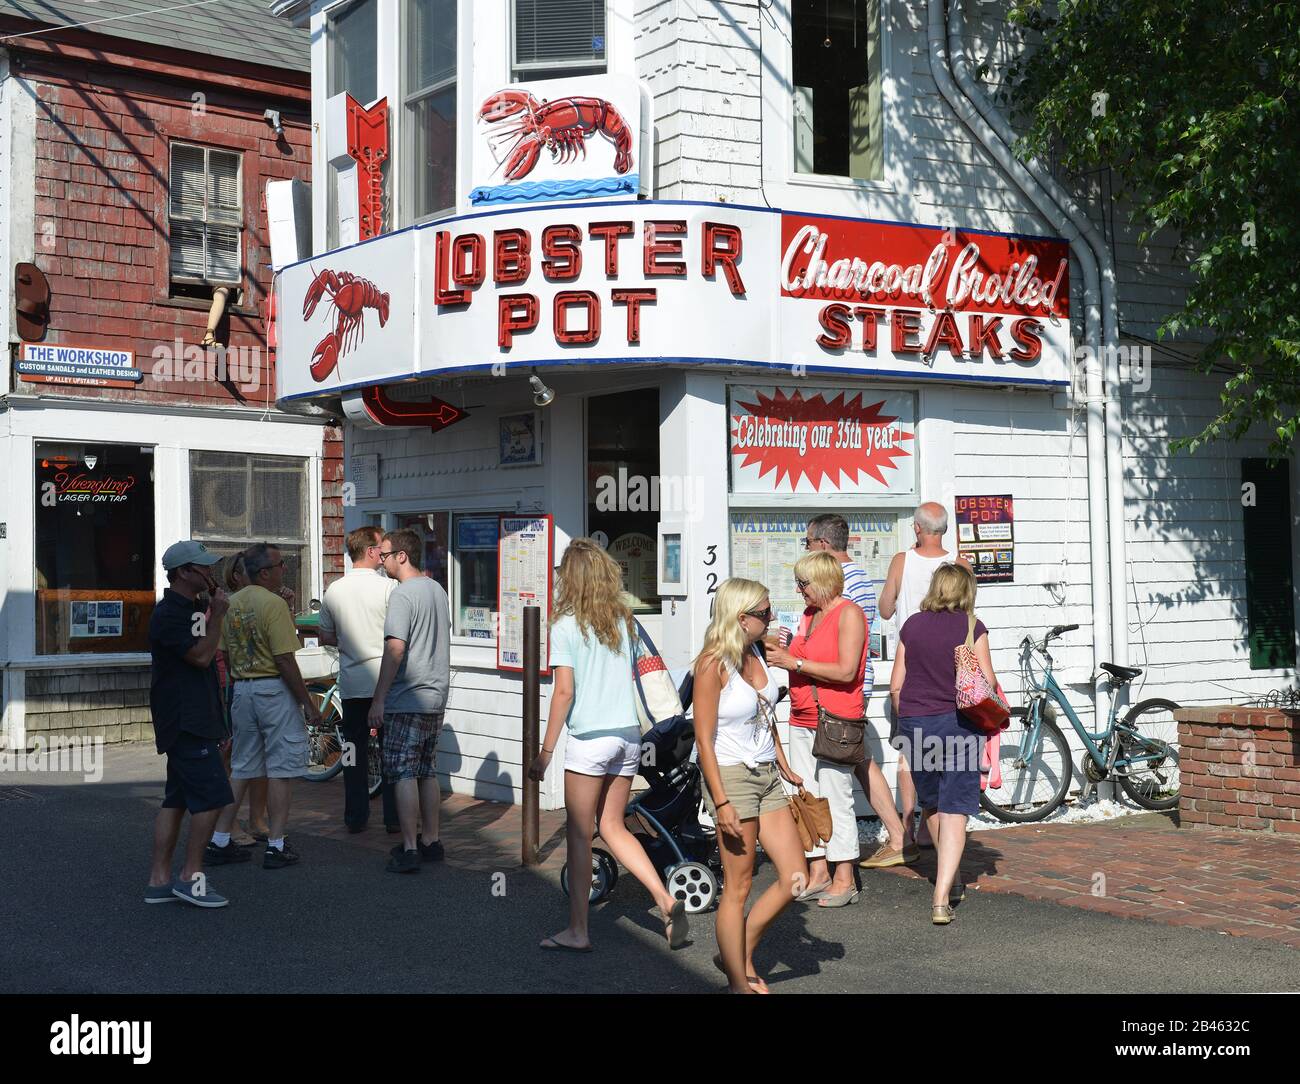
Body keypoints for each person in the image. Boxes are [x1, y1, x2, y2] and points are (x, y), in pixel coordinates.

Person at [527, 538, 687, 952]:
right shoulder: (625, 620)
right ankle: (664, 898)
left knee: (581, 836)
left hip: (590, 741)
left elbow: (563, 693)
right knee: (614, 826)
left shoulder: (564, 626)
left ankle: (578, 931)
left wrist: (544, 754)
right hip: (628, 738)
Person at [693, 578, 809, 993]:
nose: (772, 617)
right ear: (741, 619)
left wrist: (782, 761)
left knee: (797, 878)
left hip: (766, 775)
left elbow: (766, 713)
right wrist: (721, 801)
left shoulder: (758, 651)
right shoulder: (711, 665)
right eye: (764, 613)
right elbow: (703, 740)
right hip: (731, 778)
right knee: (738, 886)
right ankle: (739, 982)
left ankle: (737, 955)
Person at [890, 563, 997, 924]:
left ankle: (948, 881)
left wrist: (905, 722)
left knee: (933, 805)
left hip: (916, 725)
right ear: (966, 591)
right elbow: (987, 681)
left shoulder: (911, 626)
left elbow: (895, 685)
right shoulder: (972, 627)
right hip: (959, 726)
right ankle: (941, 897)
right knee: (954, 812)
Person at [804, 514, 910, 869]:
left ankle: (888, 840)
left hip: (843, 685)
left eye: (807, 543)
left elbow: (836, 638)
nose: (805, 550)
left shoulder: (841, 585)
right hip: (854, 683)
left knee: (848, 762)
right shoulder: (860, 576)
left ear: (822, 545)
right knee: (858, 759)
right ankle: (898, 836)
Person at [145, 541, 243, 907]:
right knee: (212, 797)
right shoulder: (169, 613)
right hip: (186, 718)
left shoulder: (193, 606)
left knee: (178, 798)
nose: (209, 572)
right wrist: (216, 613)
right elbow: (202, 658)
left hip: (196, 715)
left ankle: (158, 881)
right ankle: (190, 878)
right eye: (202, 567)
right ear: (183, 572)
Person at [766, 550, 865, 906]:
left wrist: (795, 661)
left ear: (822, 580)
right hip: (802, 717)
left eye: (803, 582)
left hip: (835, 719)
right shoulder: (810, 615)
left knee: (836, 798)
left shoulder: (848, 614)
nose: (799, 589)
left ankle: (845, 876)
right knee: (806, 797)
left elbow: (846, 671)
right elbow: (794, 658)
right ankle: (819, 870)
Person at [212, 543, 321, 869]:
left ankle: (220, 838)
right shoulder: (272, 604)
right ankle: (275, 843)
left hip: (243, 689)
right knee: (281, 769)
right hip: (273, 689)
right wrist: (308, 703)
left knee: (243, 765)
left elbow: (226, 654)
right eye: (278, 566)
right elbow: (285, 658)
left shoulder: (231, 603)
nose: (283, 569)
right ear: (264, 572)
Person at [878, 502, 971, 855]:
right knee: (952, 753)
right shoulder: (960, 565)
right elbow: (971, 614)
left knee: (909, 752)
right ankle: (942, 825)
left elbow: (886, 609)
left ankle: (909, 825)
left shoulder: (903, 561)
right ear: (944, 529)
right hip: (952, 672)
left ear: (917, 528)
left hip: (911, 664)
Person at [368, 529, 450, 873]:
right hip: (436, 693)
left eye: (384, 555)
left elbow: (395, 648)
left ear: (402, 555)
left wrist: (379, 698)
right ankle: (431, 840)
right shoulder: (437, 589)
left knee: (402, 771)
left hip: (408, 696)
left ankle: (410, 846)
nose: (381, 561)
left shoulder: (402, 595)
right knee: (426, 770)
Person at [318, 526, 398, 834]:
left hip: (352, 683)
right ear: (370, 551)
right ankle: (393, 818)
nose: (384, 553)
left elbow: (325, 634)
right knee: (392, 750)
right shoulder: (389, 588)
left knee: (354, 751)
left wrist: (345, 641)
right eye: (381, 548)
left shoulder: (335, 590)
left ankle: (355, 816)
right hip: (387, 681)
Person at [214, 552, 268, 847]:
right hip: (230, 685)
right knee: (232, 757)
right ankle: (229, 822)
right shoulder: (225, 605)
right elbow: (218, 651)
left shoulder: (263, 602)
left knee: (258, 755)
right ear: (236, 575)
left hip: (252, 684)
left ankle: (257, 818)